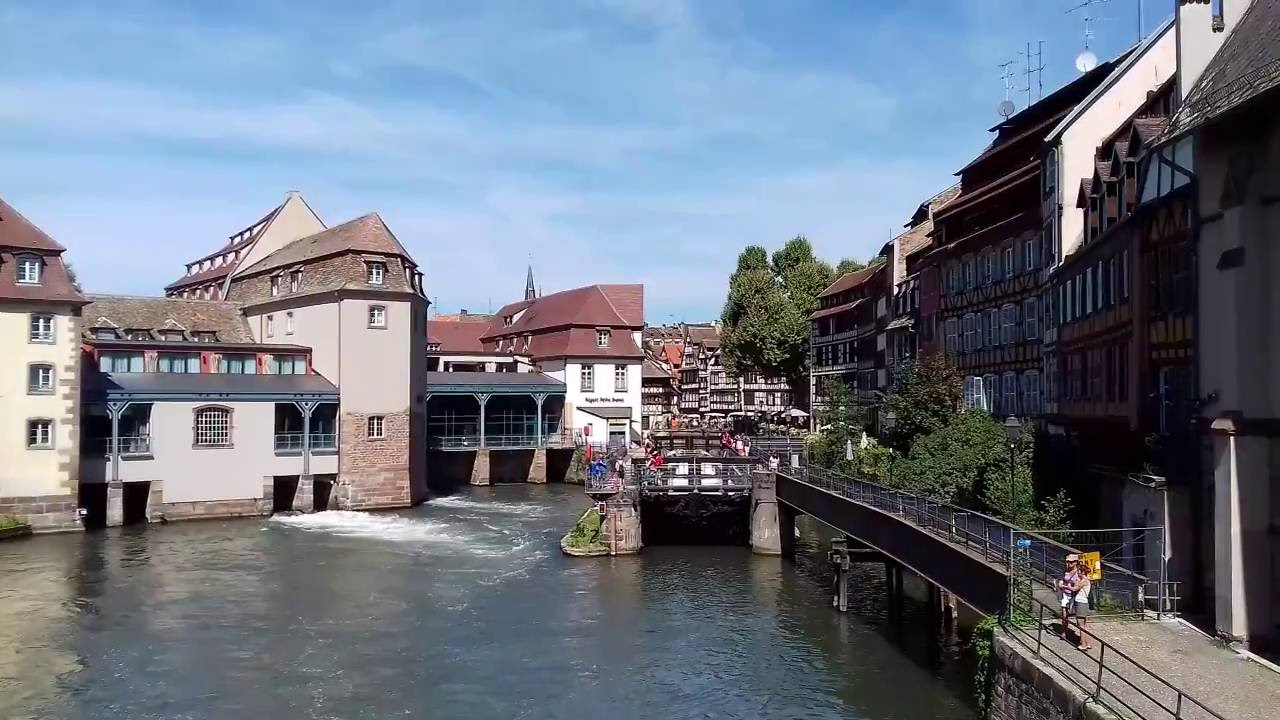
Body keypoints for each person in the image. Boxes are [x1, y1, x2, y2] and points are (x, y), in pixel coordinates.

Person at [1057, 555, 1080, 640]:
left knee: (1079, 616)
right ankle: (1063, 632)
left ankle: (1082, 636)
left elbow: (1079, 584)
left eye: (1071, 562)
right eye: (1068, 562)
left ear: (1076, 562)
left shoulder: (1079, 572)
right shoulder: (1066, 571)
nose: (1069, 563)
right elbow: (1062, 579)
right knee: (1064, 614)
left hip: (1074, 595)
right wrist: (1060, 583)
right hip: (1065, 594)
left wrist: (1069, 586)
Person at [1073, 561, 1093, 652]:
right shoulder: (1084, 581)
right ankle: (1088, 643)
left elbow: (1074, 588)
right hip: (1082, 603)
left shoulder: (1084, 581)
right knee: (1084, 625)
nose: (1078, 573)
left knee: (1080, 625)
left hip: (1081, 603)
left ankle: (1083, 644)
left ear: (1083, 572)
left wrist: (1065, 585)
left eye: (1079, 571)